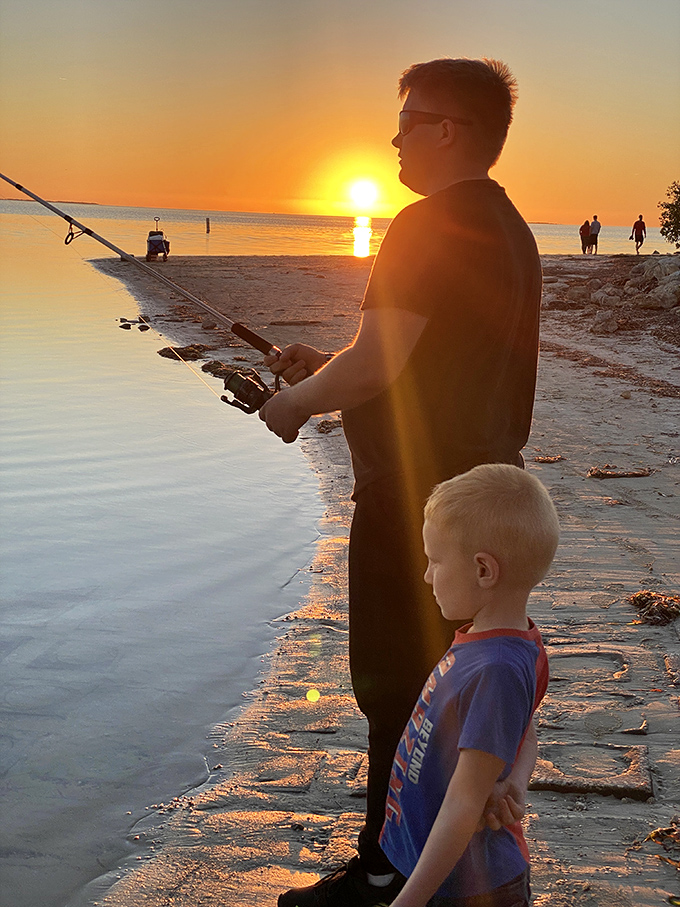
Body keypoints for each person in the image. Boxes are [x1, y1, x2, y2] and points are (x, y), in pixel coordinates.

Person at [260, 57, 543, 907]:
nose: (394, 136)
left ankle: (385, 875)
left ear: (448, 129)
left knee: (395, 690)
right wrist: (323, 368)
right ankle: (443, 865)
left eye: (408, 119)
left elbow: (378, 359)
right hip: (488, 496)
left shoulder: (423, 225)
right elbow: (417, 361)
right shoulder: (511, 229)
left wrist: (296, 404)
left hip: (420, 508)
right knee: (446, 685)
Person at [381, 464, 558, 907]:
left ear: (483, 570)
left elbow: (463, 805)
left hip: (472, 886)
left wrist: (407, 902)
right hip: (445, 870)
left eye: (435, 561)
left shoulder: (496, 667)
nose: (426, 576)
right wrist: (515, 783)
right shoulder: (499, 641)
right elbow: (526, 729)